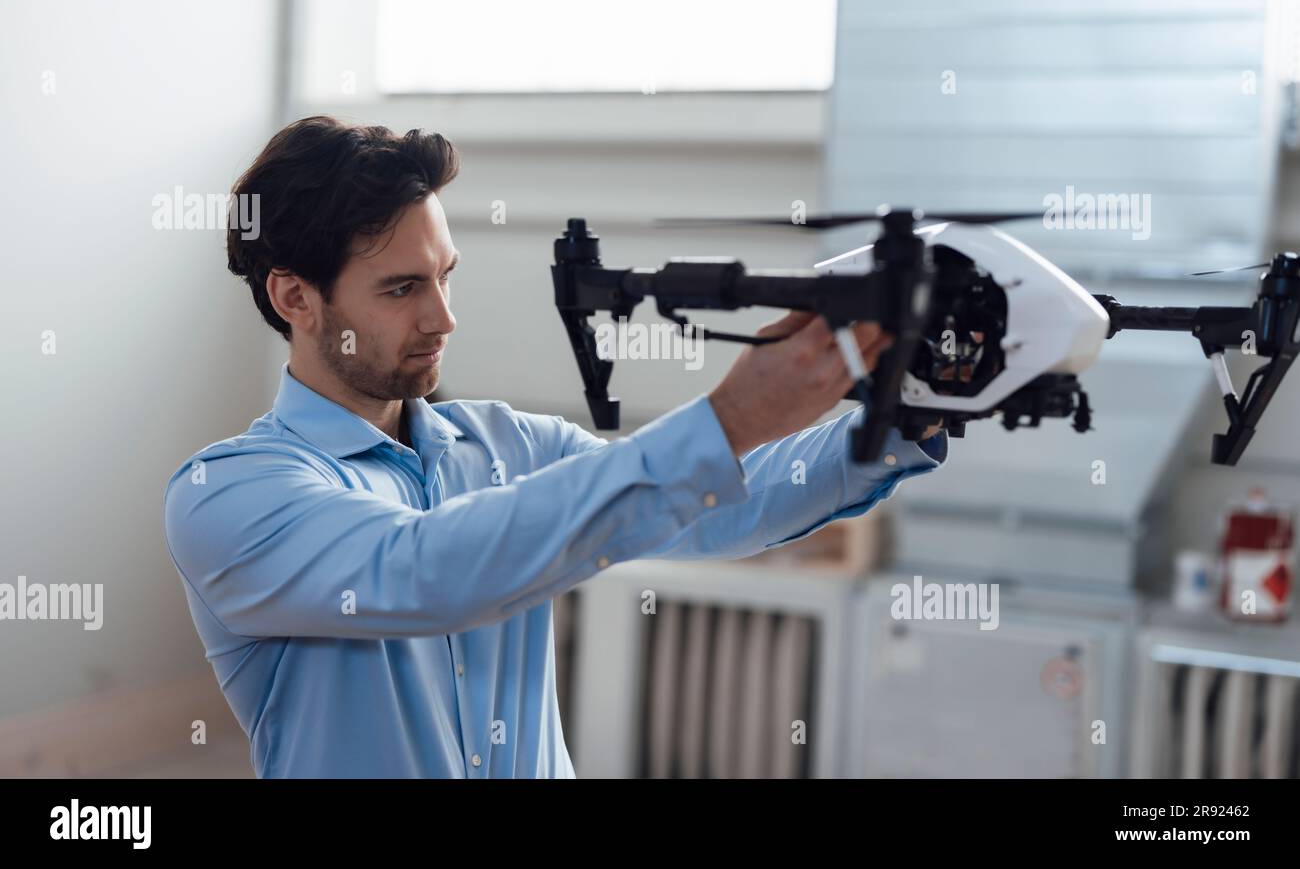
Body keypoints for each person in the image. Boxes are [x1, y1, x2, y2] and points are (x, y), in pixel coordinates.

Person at [162, 116, 948, 778]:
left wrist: (895, 422)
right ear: (296, 297)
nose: (443, 318)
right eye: (403, 289)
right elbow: (427, 569)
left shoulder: (505, 443)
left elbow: (709, 506)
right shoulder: (228, 495)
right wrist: (733, 412)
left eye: (446, 276)